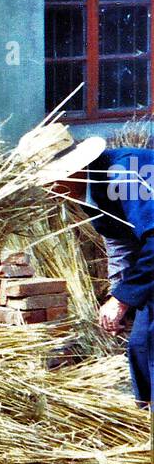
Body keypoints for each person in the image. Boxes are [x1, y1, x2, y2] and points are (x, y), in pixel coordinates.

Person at [44, 136, 154, 408]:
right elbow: (118, 242)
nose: (48, 189)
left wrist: (122, 300)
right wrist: (120, 297)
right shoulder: (86, 189)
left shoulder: (126, 175)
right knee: (140, 345)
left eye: (51, 180)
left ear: (74, 169)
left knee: (149, 344)